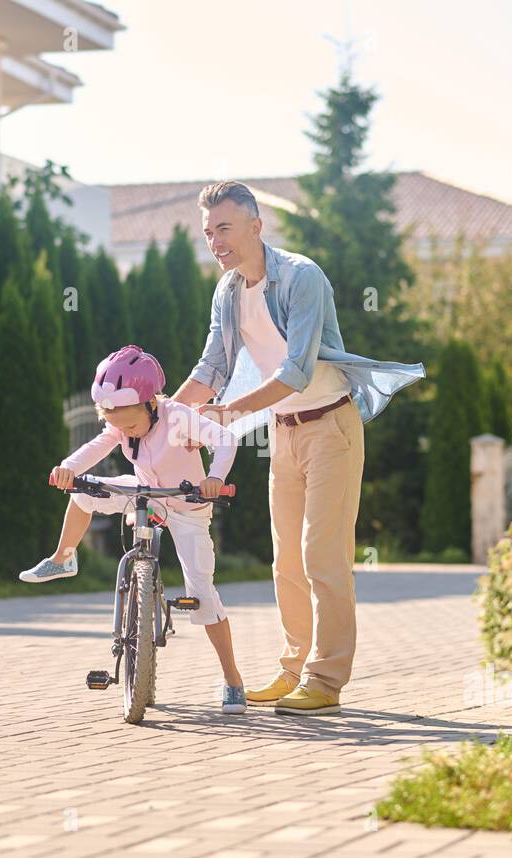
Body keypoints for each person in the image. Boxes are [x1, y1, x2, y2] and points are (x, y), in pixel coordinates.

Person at [172, 181, 426, 716]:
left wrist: (230, 412)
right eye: (208, 232)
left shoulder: (302, 278)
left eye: (224, 228)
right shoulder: (228, 292)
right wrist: (166, 417)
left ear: (255, 226)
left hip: (330, 427)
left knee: (321, 555)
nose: (215, 242)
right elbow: (212, 367)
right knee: (286, 560)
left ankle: (327, 679)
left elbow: (297, 370)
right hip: (283, 433)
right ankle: (292, 671)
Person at [20, 345, 248, 714]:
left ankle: (233, 680)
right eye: (116, 424)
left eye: (129, 424)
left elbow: (226, 440)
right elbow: (97, 446)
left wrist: (214, 477)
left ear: (152, 403)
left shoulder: (178, 417)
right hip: (146, 494)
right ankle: (63, 558)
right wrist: (67, 467)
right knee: (84, 493)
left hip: (187, 503)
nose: (123, 431)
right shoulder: (118, 425)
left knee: (202, 595)